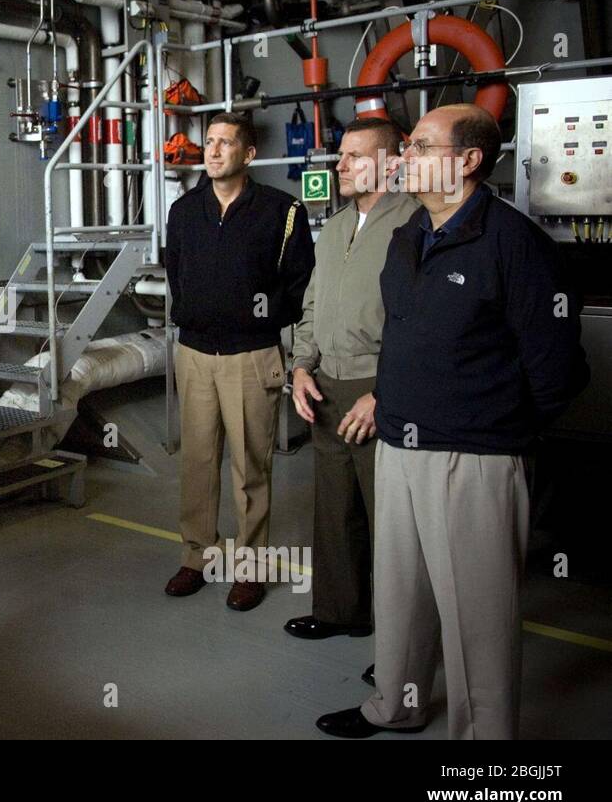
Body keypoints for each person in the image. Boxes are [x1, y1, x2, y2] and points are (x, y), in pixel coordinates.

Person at [316, 103, 588, 739]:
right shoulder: (409, 236)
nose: (404, 158)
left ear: (467, 161)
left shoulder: (515, 245)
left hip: (474, 460)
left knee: (478, 621)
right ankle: (396, 705)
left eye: (419, 146)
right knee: (402, 597)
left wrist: (495, 432)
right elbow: (408, 340)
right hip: (400, 447)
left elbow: (558, 373)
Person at [163, 112, 315, 610]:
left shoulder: (281, 211)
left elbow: (299, 284)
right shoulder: (184, 211)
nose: (212, 151)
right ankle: (196, 556)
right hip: (194, 353)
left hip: (251, 355)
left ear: (248, 155)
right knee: (197, 461)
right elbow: (177, 277)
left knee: (250, 465)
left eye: (225, 143)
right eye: (208, 142)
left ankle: (251, 566)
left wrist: (250, 315)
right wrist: (200, 315)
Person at [286, 118, 416, 650]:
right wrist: (300, 365)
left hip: (379, 388)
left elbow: (421, 324)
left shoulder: (415, 225)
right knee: (334, 508)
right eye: (341, 155)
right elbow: (313, 303)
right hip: (327, 385)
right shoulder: (337, 225)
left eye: (355, 157)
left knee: (392, 522)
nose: (341, 165)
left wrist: (384, 392)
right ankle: (341, 611)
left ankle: (401, 646)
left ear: (390, 162)